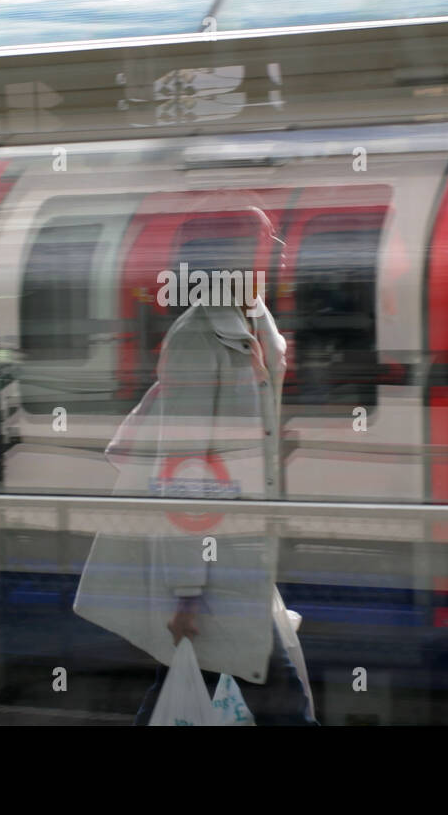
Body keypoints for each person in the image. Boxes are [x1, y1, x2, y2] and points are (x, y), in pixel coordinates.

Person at [73, 205, 317, 725]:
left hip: (239, 546)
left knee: (183, 686)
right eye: (264, 243)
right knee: (282, 703)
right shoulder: (195, 340)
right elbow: (182, 472)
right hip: (212, 558)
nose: (274, 254)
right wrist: (184, 592)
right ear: (227, 259)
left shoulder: (253, 320)